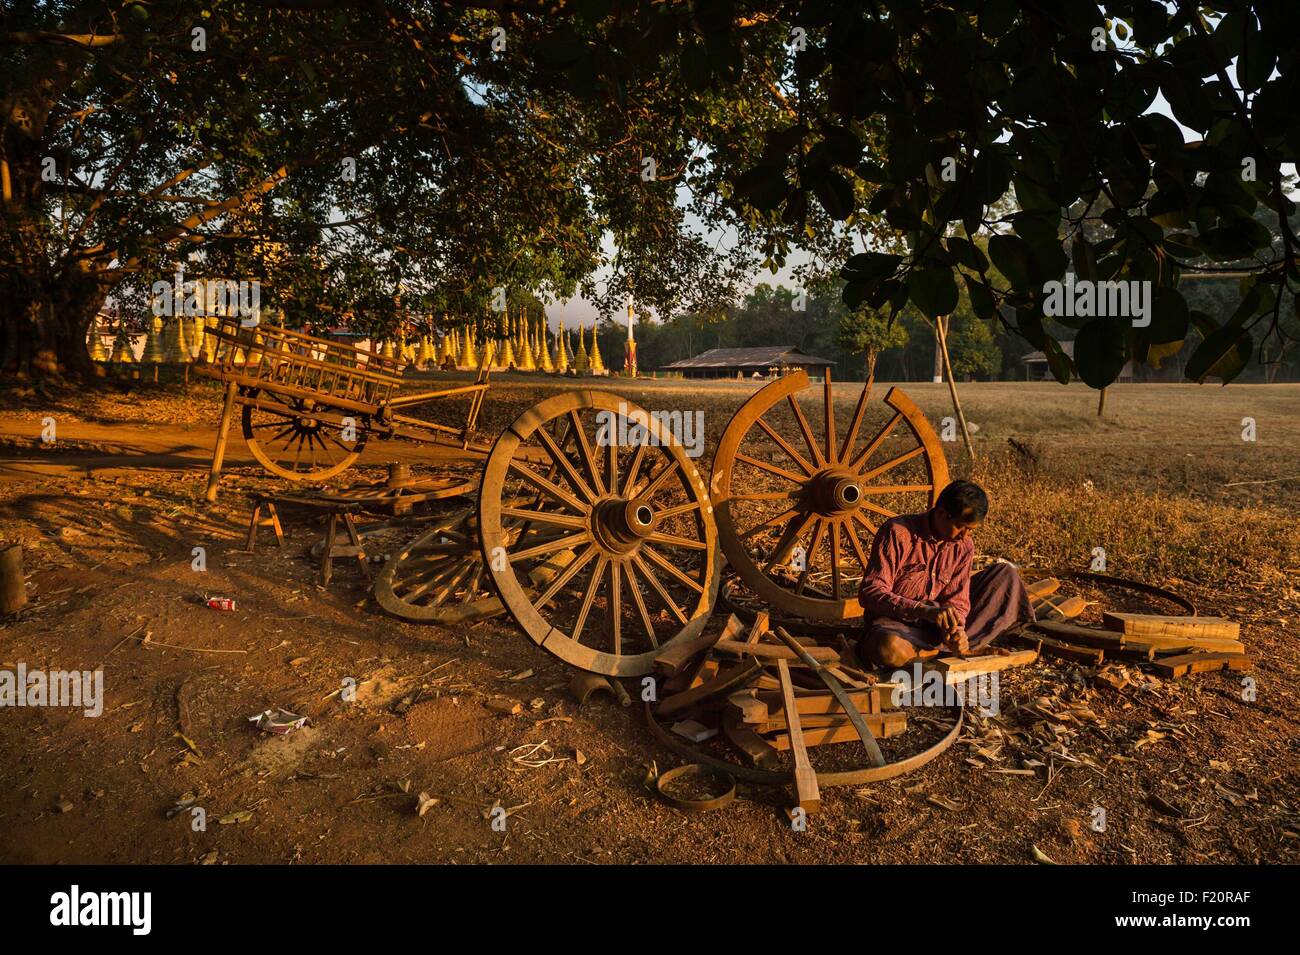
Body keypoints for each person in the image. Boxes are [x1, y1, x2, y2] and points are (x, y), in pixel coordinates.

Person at [857, 480, 1033, 668]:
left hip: (937, 628)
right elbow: (870, 592)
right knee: (889, 649)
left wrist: (957, 631)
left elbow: (957, 600)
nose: (964, 536)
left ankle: (948, 648)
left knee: (1006, 575)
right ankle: (939, 652)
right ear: (941, 513)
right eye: (961, 527)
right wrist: (922, 610)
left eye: (971, 531)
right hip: (897, 624)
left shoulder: (963, 546)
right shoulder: (898, 533)